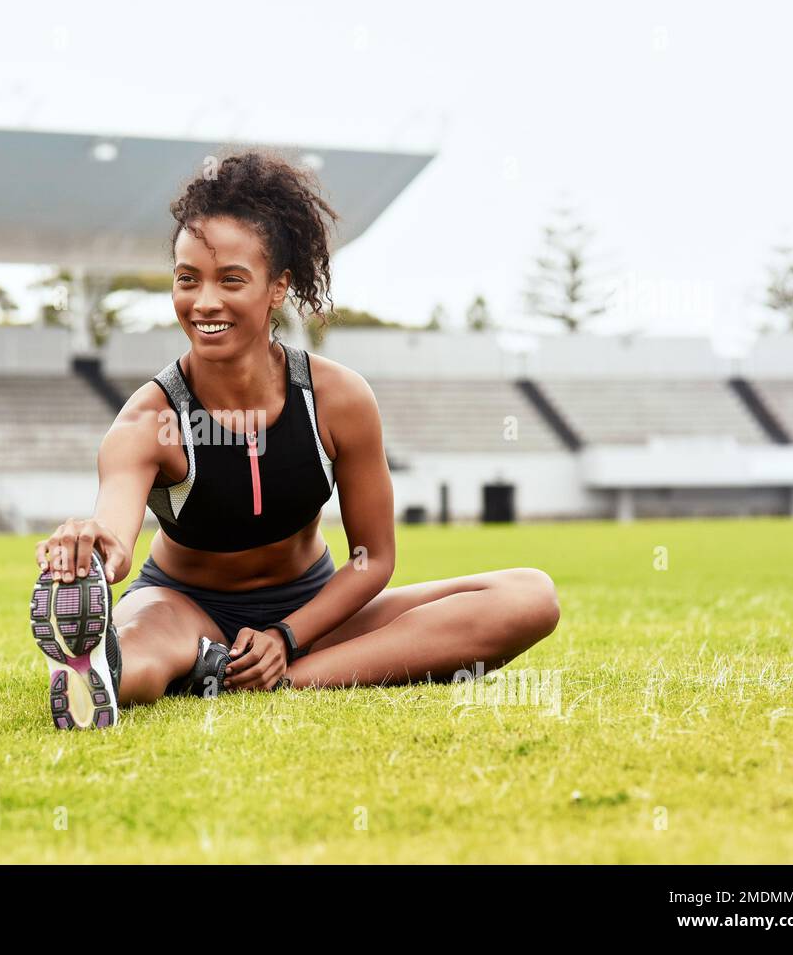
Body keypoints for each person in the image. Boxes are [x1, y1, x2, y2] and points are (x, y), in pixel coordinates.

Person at [29, 150, 559, 730]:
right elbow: (117, 540)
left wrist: (287, 637)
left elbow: (373, 558)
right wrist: (89, 548)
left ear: (277, 286)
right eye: (187, 280)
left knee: (530, 597)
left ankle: (258, 678)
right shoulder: (146, 422)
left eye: (232, 279)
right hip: (185, 609)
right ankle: (98, 670)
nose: (204, 302)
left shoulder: (338, 399)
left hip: (313, 612)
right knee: (140, 660)